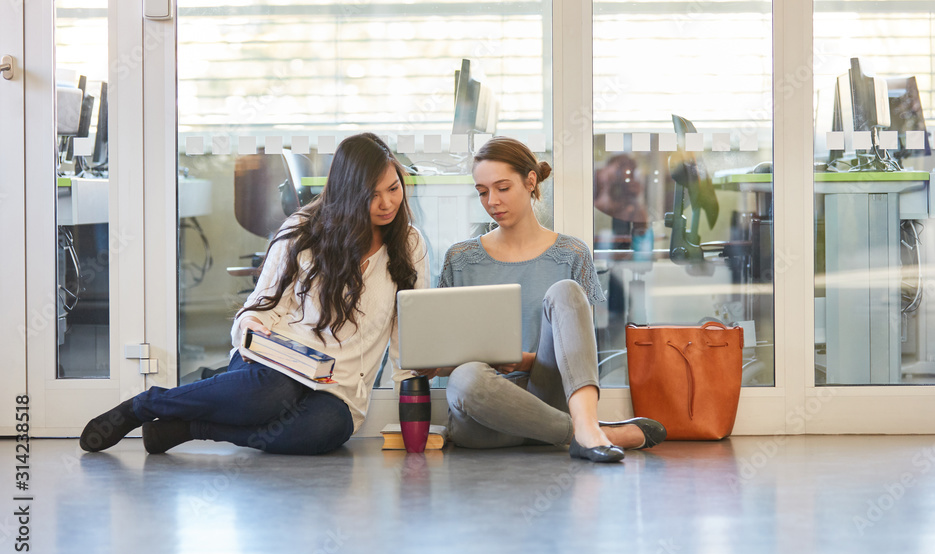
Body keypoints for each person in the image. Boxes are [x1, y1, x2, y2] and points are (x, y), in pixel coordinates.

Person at [80, 133, 429, 455]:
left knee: (327, 429)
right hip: (280, 363)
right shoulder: (303, 232)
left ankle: (194, 427)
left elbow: (410, 328)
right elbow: (259, 307)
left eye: (393, 188)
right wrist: (253, 332)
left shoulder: (409, 244)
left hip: (340, 385)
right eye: (372, 194)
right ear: (348, 193)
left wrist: (412, 393)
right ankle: (143, 405)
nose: (387, 203)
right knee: (272, 396)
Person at [435, 137, 666, 463]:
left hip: (547, 396)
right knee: (464, 377)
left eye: (502, 188)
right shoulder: (459, 259)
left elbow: (582, 351)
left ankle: (584, 426)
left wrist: (525, 360)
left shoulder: (571, 253)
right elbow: (445, 356)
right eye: (483, 192)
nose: (492, 201)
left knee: (566, 290)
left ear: (530, 181)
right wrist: (438, 363)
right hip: (483, 418)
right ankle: (591, 433)